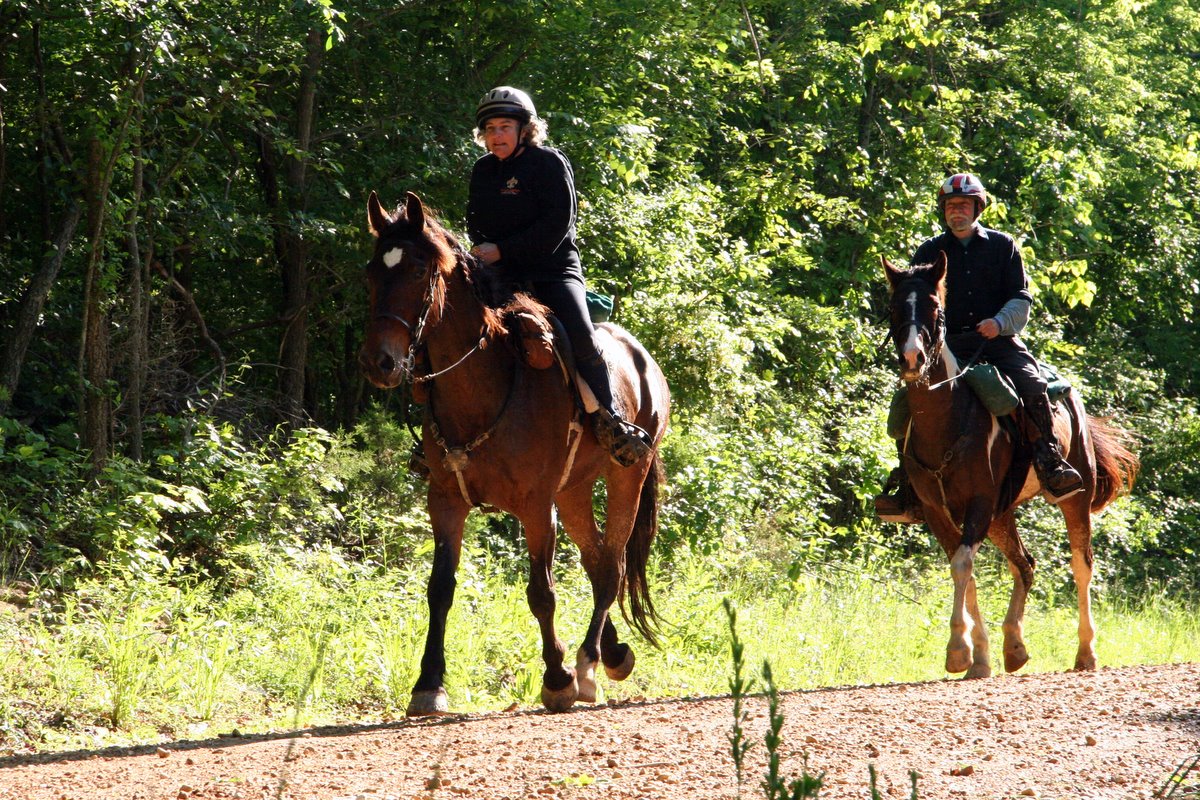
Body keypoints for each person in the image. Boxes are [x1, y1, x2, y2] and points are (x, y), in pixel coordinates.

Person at [875, 172, 1084, 522]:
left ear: (977, 208)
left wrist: (999, 322)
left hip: (997, 341)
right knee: (909, 401)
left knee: (1032, 383)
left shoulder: (1002, 246)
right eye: (950, 206)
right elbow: (917, 300)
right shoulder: (928, 251)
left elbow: (1021, 297)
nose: (956, 211)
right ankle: (907, 485)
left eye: (963, 205)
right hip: (948, 346)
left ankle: (1050, 461)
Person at [466, 86, 652, 467]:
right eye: (490, 129)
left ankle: (611, 418)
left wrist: (503, 250)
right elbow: (476, 224)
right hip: (500, 275)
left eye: (504, 127)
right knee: (454, 324)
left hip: (552, 269)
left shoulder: (549, 163)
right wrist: (484, 252)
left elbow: (558, 224)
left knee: (580, 334)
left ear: (525, 129)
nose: (496, 136)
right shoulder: (483, 171)